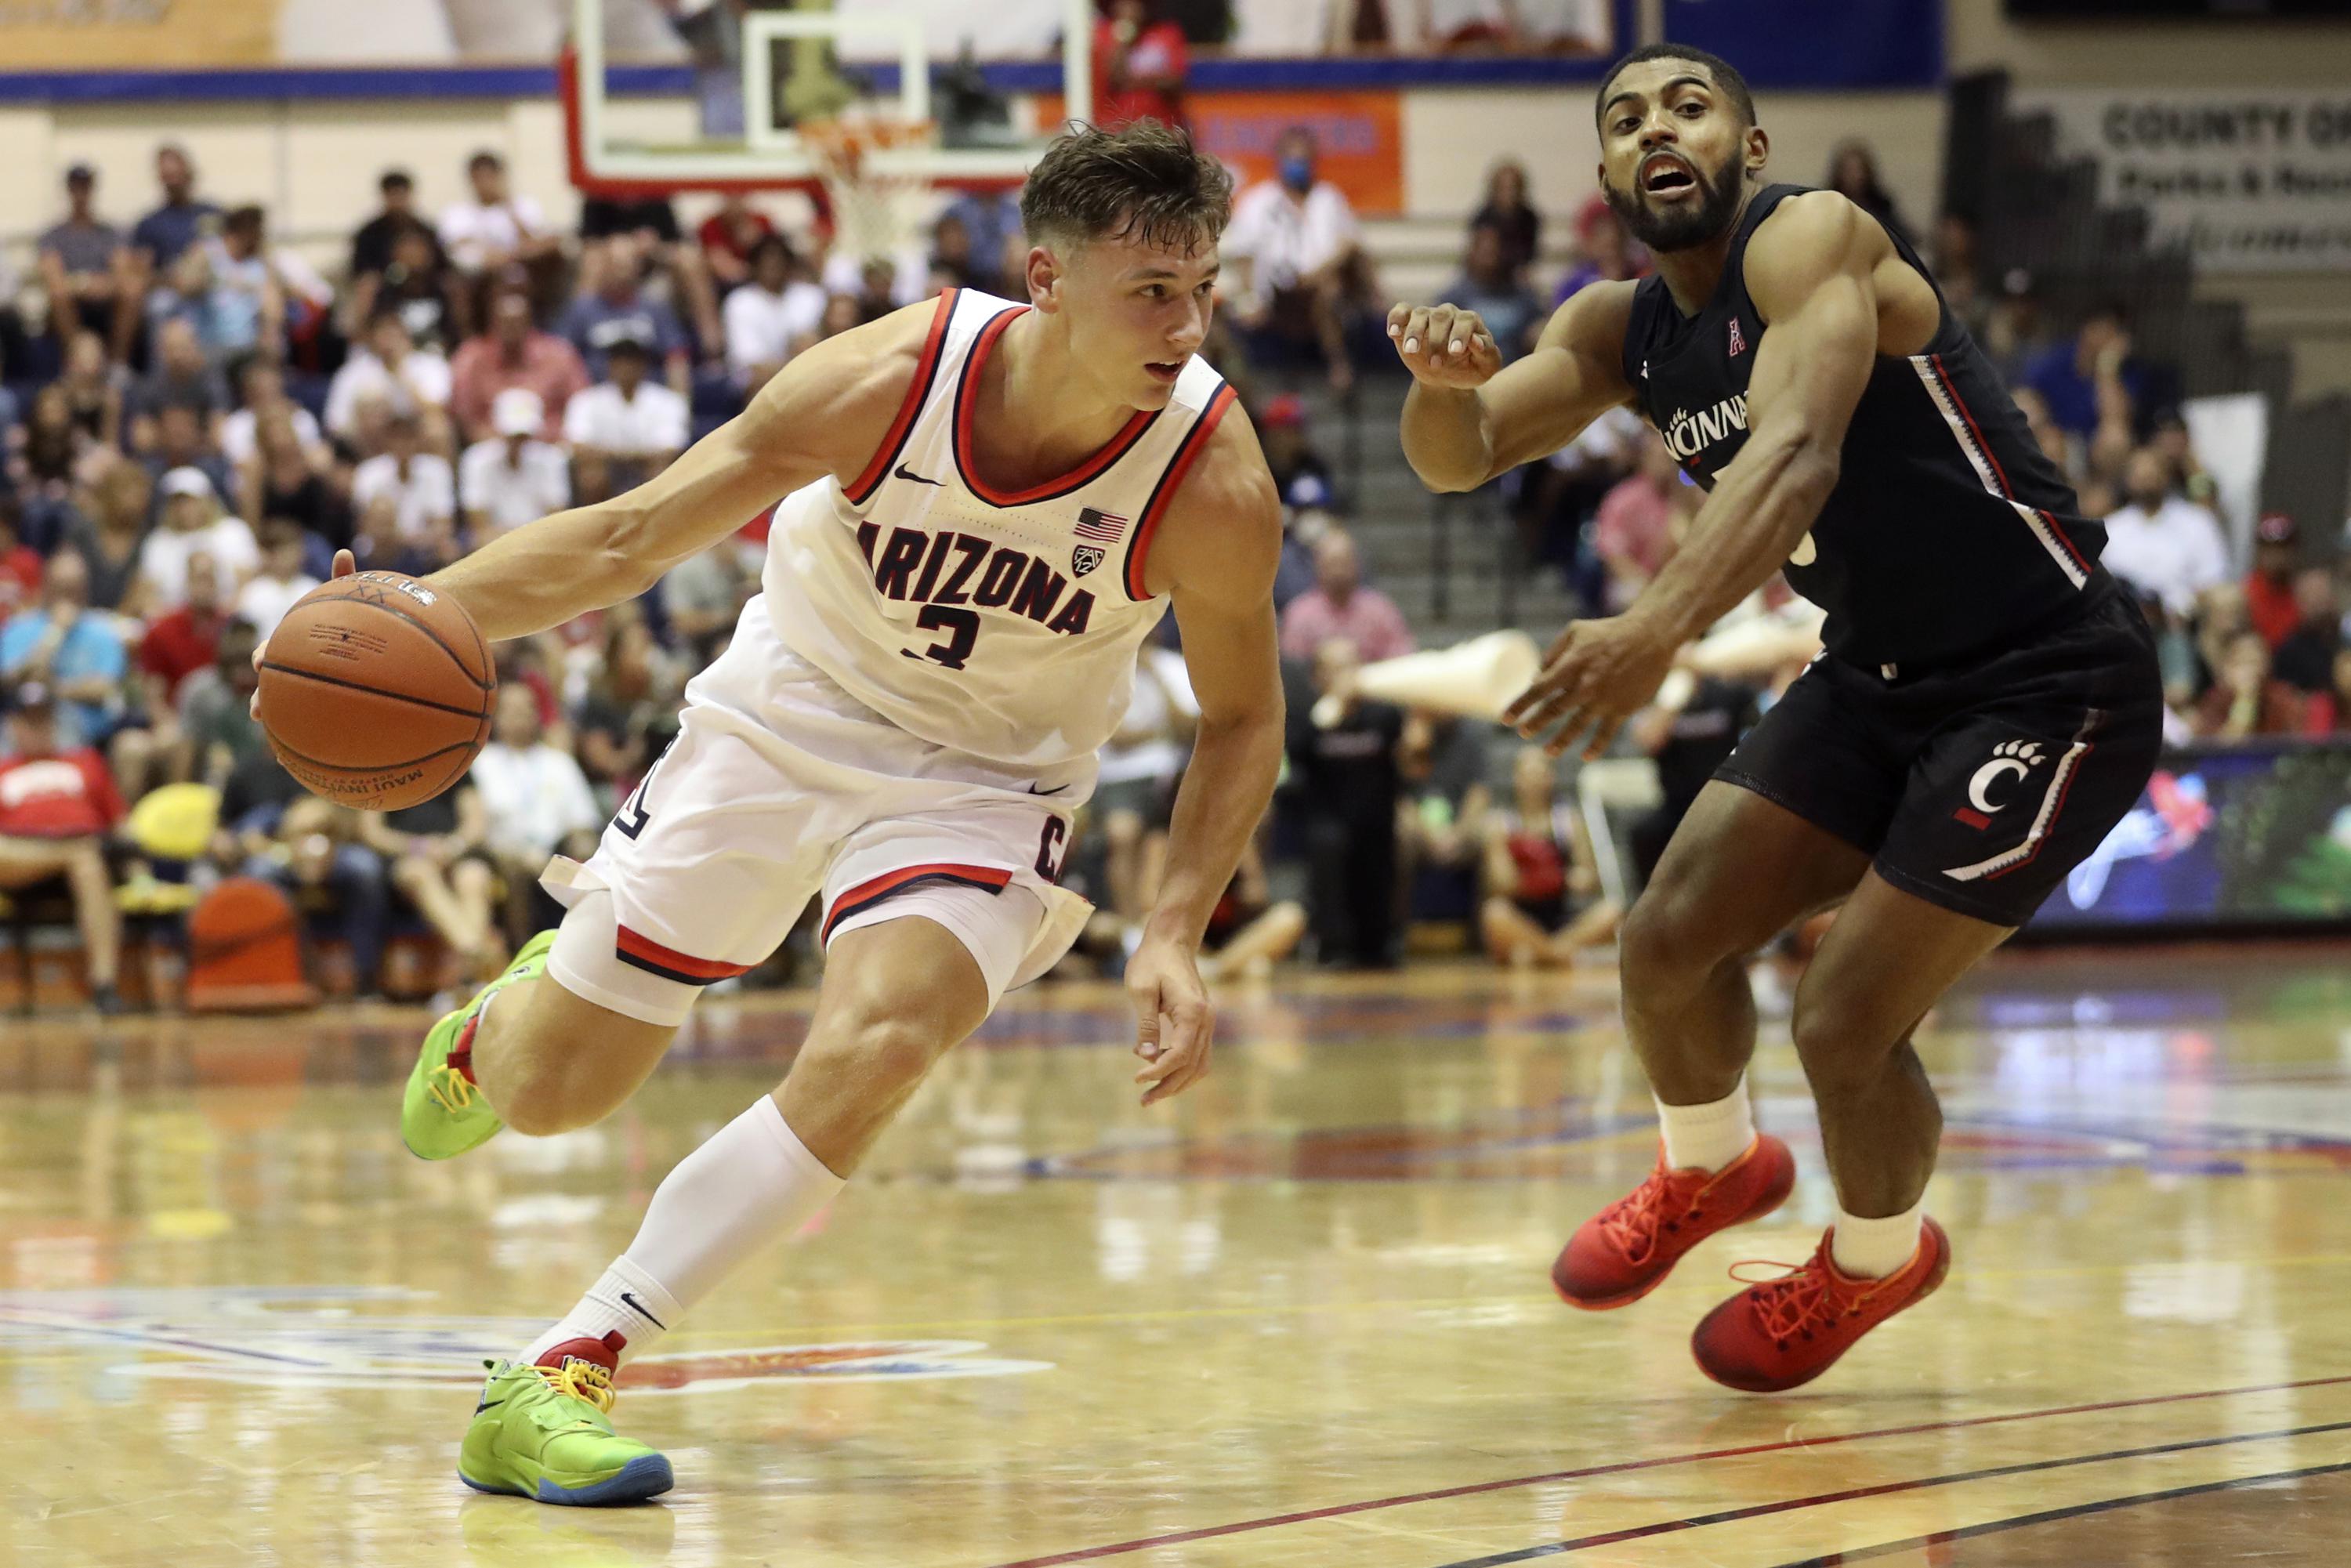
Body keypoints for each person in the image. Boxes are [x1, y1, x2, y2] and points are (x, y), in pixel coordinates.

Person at [250, 120, 1281, 1502]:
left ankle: (571, 1360)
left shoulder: (1211, 481)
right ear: (1045, 279)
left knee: (886, 1038)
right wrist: (416, 609)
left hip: (988, 778)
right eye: (1153, 290)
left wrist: (1173, 928)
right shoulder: (888, 378)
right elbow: (630, 536)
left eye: (1203, 286)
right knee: (558, 1095)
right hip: (786, 712)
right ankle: (500, 1034)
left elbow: (1241, 716)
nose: (1188, 321)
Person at [1392, 44, 2163, 1392]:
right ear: (1608, 179)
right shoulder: (1612, 329)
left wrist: (1655, 629)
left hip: (2048, 674)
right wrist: (1441, 387)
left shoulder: (1811, 240)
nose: (1657, 132)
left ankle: (1875, 1260)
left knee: (1842, 1020)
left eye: (1687, 107)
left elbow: (1798, 453)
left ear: (1749, 149)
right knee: (1663, 943)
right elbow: (1457, 461)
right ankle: (1715, 1170)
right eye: (1626, 121)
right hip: (1875, 675)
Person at [0, 683, 125, 1014]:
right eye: (29, 720)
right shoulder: (4, 770)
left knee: (89, 864)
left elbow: (119, 822)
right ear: (13, 725)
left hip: (82, 858)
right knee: (79, 854)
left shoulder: (86, 762)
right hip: (18, 859)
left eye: (44, 719)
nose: (38, 728)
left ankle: (104, 986)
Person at [1289, 639, 1402, 968]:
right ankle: (1332, 945)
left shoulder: (1383, 714)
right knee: (1331, 846)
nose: (1346, 676)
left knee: (1377, 849)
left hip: (1375, 819)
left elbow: (1409, 763)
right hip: (1327, 819)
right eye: (1336, 669)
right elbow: (1295, 754)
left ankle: (1378, 945)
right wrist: (1332, 707)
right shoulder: (1306, 717)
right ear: (1318, 677)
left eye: (1352, 666)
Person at [1223, 127, 1364, 389]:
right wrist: (1249, 299)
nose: (1297, 165)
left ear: (1313, 161)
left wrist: (1316, 274)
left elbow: (1349, 244)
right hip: (1276, 297)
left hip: (1321, 290)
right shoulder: (1258, 202)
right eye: (1291, 158)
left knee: (1329, 290)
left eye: (1303, 159)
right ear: (1279, 160)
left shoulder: (1329, 199)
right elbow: (1244, 259)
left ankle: (1339, 365)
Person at [469, 686, 603, 947]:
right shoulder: (481, 764)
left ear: (537, 715)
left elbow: (583, 823)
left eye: (526, 709)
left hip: (554, 853)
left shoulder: (559, 763)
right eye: (511, 710)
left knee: (588, 858)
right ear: (496, 717)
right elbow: (476, 826)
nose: (519, 716)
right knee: (516, 868)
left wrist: (582, 854)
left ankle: (583, 949)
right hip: (499, 854)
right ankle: (522, 949)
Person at [1480, 746, 1621, 967]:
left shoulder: (1569, 822)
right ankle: (1561, 954)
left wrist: (1562, 878)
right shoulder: (1500, 825)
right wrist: (1541, 877)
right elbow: (1501, 883)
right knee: (1494, 914)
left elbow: (1589, 879)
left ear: (1551, 777)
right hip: (1522, 918)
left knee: (1612, 911)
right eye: (1528, 774)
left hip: (1562, 916)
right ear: (1517, 779)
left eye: (1540, 774)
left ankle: (1543, 954)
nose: (1534, 781)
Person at [449, 284, 591, 447]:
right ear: (493, 323)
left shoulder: (559, 355)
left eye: (517, 323)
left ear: (529, 322)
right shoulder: (471, 358)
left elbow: (582, 404)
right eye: (505, 323)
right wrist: (504, 442)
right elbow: (464, 418)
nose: (511, 329)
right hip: (491, 449)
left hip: (552, 447)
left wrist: (548, 437)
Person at [2100, 447, 2230, 621]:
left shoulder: (2197, 522)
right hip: (2121, 623)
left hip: (2184, 622)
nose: (2146, 481)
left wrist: (2183, 611)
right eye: (2140, 476)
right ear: (2128, 480)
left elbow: (2214, 580)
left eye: (2152, 475)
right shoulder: (2111, 527)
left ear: (2166, 476)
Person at [562, 336, 690, 505]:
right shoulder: (586, 400)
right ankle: (596, 528)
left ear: (643, 365)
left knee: (661, 471)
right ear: (610, 365)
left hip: (646, 469)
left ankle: (661, 527)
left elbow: (671, 448)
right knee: (591, 474)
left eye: (632, 362)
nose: (626, 368)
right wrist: (625, 456)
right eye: (620, 362)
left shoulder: (668, 401)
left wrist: (622, 455)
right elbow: (578, 445)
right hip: (608, 469)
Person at [1277, 528, 1414, 664]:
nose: (1339, 571)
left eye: (1344, 563)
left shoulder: (1380, 610)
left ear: (1357, 564)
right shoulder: (1300, 614)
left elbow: (1402, 660)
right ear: (1318, 566)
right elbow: (1293, 669)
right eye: (1332, 563)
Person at [38, 165, 134, 356]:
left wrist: (105, 285)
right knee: (58, 294)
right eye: (76, 187)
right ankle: (77, 360)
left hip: (107, 297)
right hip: (71, 300)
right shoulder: (53, 236)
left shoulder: (110, 233)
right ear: (69, 190)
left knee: (132, 290)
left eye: (85, 187)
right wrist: (84, 284)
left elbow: (122, 270)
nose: (81, 193)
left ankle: (118, 364)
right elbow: (53, 276)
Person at [461, 390, 572, 546]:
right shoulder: (477, 460)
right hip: (494, 546)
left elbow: (555, 522)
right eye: (513, 436)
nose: (518, 442)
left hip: (539, 545)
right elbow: (480, 527)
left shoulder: (552, 459)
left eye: (523, 436)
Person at [352, 411, 460, 568]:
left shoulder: (436, 469)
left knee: (449, 550)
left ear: (418, 440)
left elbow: (443, 528)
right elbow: (366, 526)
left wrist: (401, 538)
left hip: (422, 550)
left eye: (408, 437)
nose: (402, 444)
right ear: (387, 441)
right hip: (379, 547)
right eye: (397, 438)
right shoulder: (368, 473)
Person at [137, 470, 258, 610]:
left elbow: (245, 579)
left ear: (207, 501)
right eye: (178, 503)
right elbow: (147, 590)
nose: (184, 509)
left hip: (228, 616)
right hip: (175, 619)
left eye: (191, 501)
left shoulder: (232, 531)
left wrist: (224, 615)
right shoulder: (159, 540)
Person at [722, 236, 826, 393]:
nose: (773, 266)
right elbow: (750, 364)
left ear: (789, 264)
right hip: (759, 385)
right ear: (754, 266)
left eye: (779, 261)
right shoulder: (740, 302)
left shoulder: (811, 296)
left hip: (813, 376)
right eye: (767, 262)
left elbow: (822, 345)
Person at [437, 150, 558, 276]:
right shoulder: (457, 212)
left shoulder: (524, 205)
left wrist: (509, 208)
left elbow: (539, 241)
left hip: (522, 267)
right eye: (479, 178)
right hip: (478, 275)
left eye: (490, 177)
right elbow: (455, 247)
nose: (485, 184)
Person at [1443, 219, 1545, 363]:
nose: (1489, 257)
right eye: (1484, 249)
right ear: (1472, 252)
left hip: (1516, 372)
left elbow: (1541, 330)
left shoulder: (1524, 296)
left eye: (1494, 249)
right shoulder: (1455, 297)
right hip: (1469, 374)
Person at [1093, 0, 1189, 131]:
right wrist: (1126, 33)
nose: (1132, 7)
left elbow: (1175, 81)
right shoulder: (1102, 33)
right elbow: (1113, 77)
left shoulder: (1167, 33)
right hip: (1117, 130)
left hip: (1162, 128)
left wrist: (1132, 81)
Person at [234, 519, 321, 639]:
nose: (293, 556)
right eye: (286, 550)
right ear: (271, 554)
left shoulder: (313, 588)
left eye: (297, 549)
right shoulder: (254, 591)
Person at [1470, 158, 1542, 280]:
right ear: (1495, 189)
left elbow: (1530, 257)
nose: (1509, 193)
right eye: (1504, 188)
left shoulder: (1529, 218)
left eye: (1513, 188)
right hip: (1482, 277)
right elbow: (1476, 255)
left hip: (1515, 280)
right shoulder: (1483, 217)